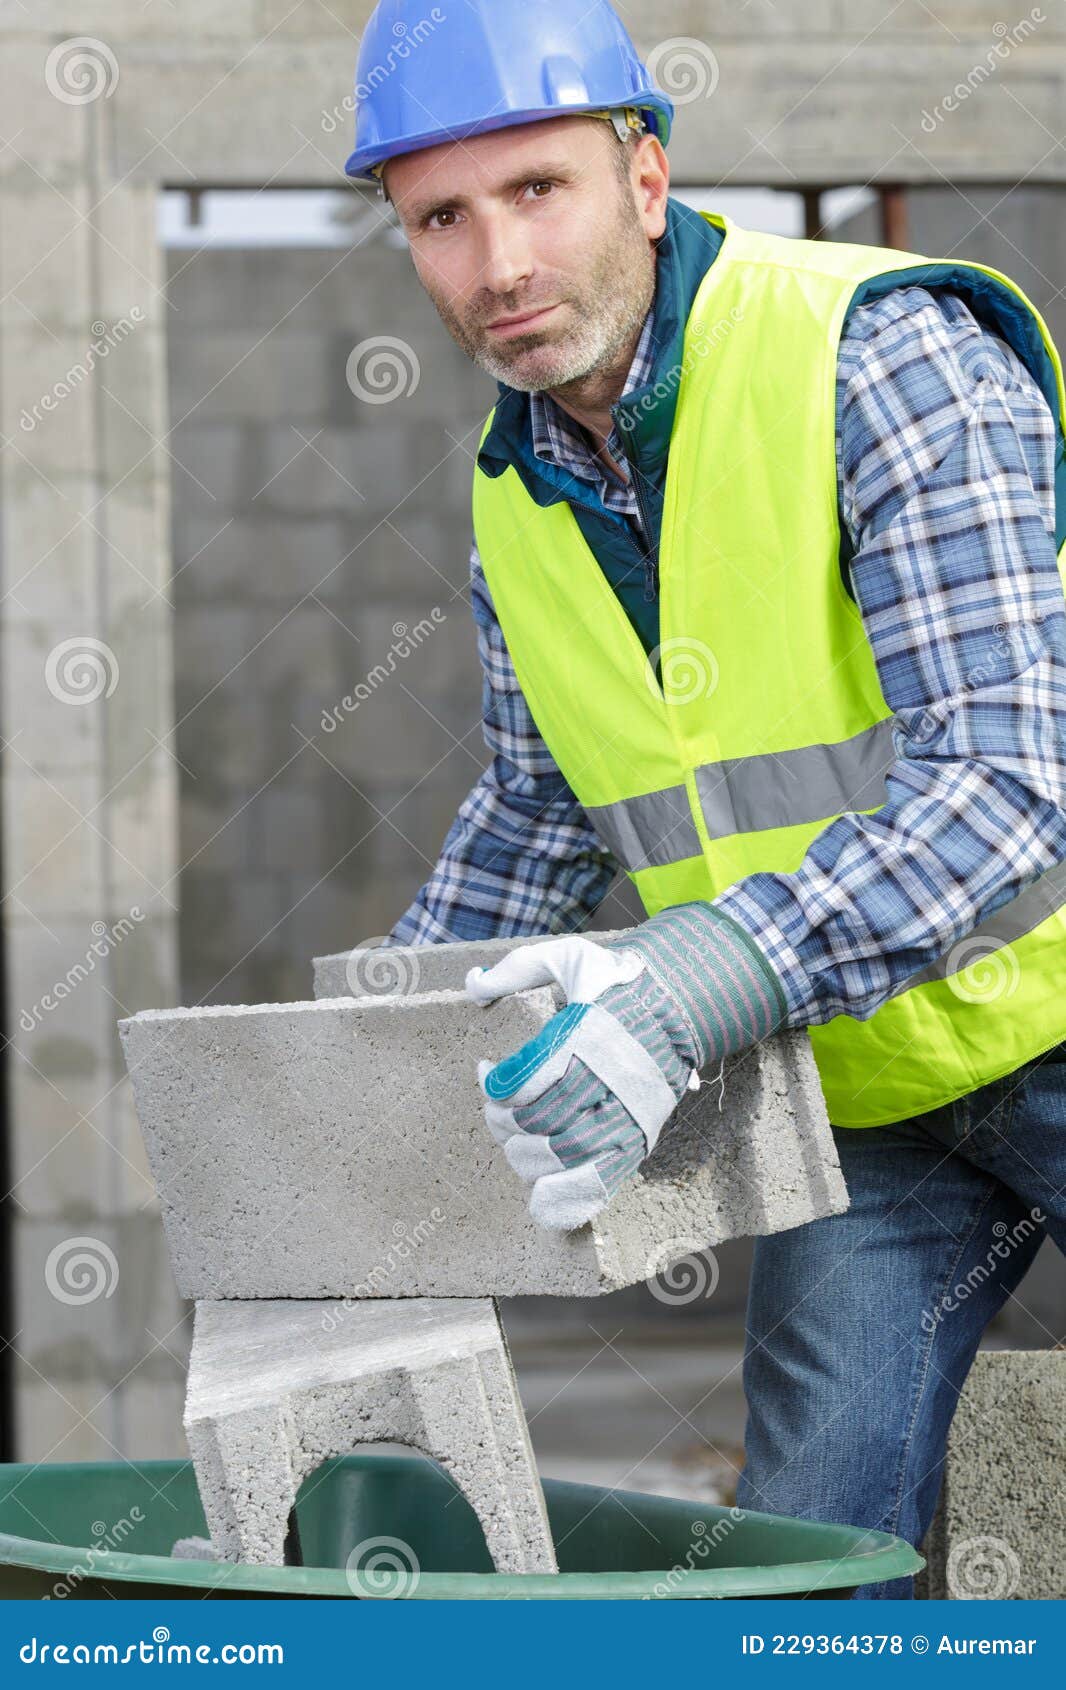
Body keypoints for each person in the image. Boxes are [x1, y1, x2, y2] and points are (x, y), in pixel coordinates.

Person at [342, 0, 1066, 1597]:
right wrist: (364, 1065)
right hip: (862, 1093)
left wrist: (687, 986)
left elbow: (1014, 786)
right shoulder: (515, 489)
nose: (496, 266)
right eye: (439, 221)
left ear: (646, 178)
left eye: (537, 190)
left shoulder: (877, 353)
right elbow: (535, 821)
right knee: (799, 1562)